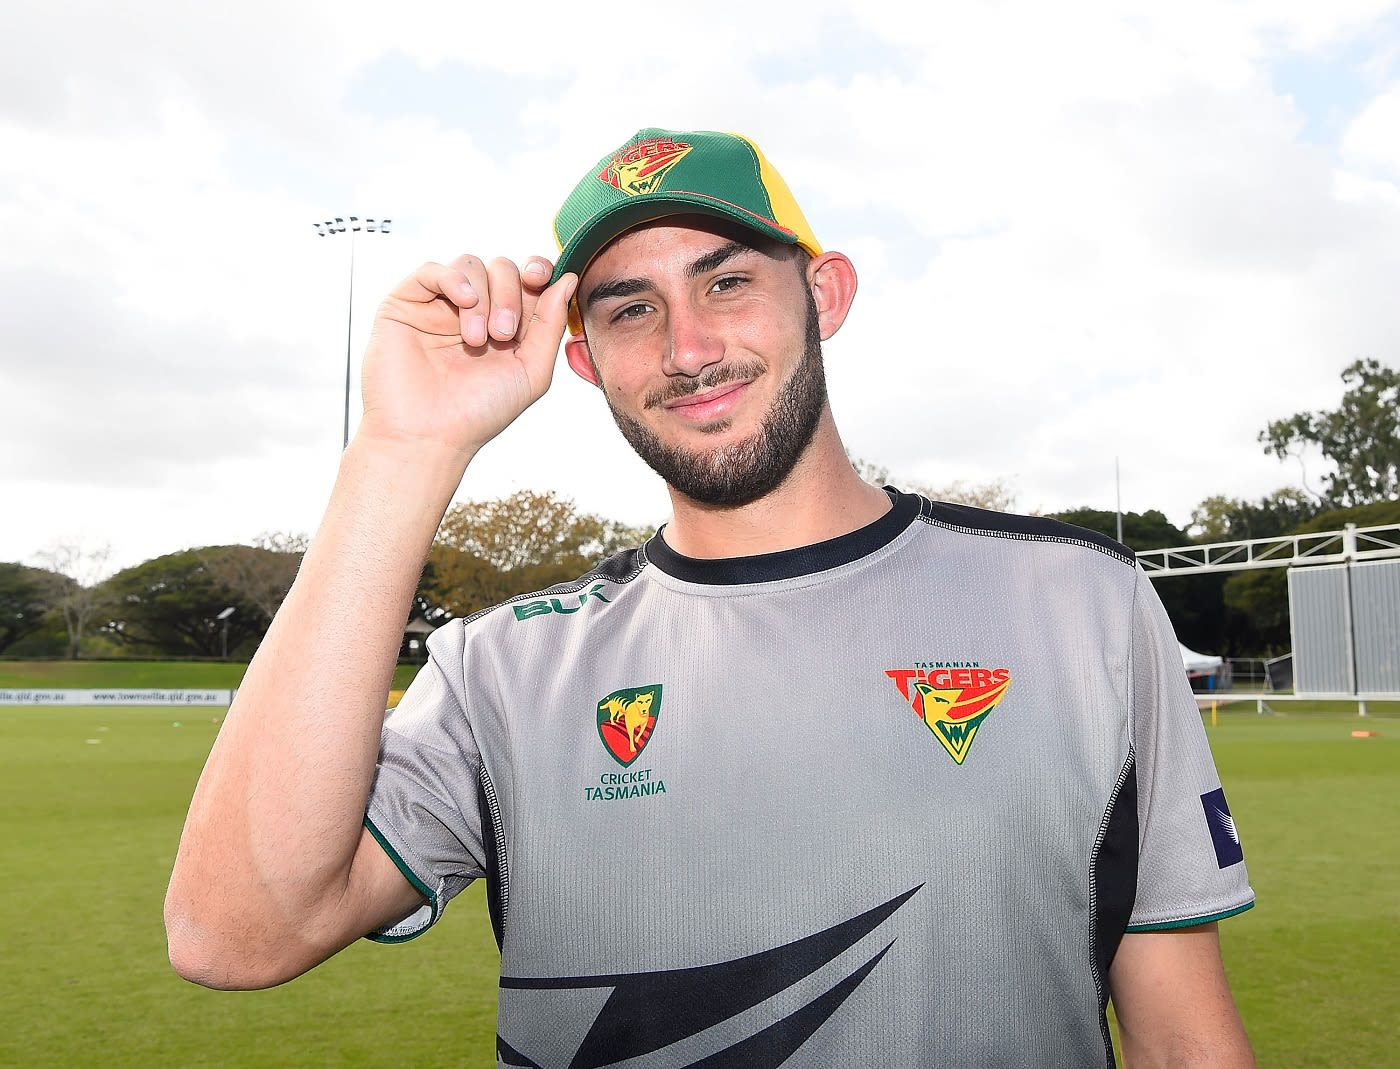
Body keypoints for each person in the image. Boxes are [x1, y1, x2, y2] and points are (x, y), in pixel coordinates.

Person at [165, 127, 1256, 1067]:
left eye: (725, 283)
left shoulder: (1080, 602)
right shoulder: (503, 669)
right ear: (585, 360)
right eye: (630, 309)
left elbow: (1181, 1039)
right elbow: (234, 933)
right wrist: (401, 449)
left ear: (823, 294)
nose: (686, 349)